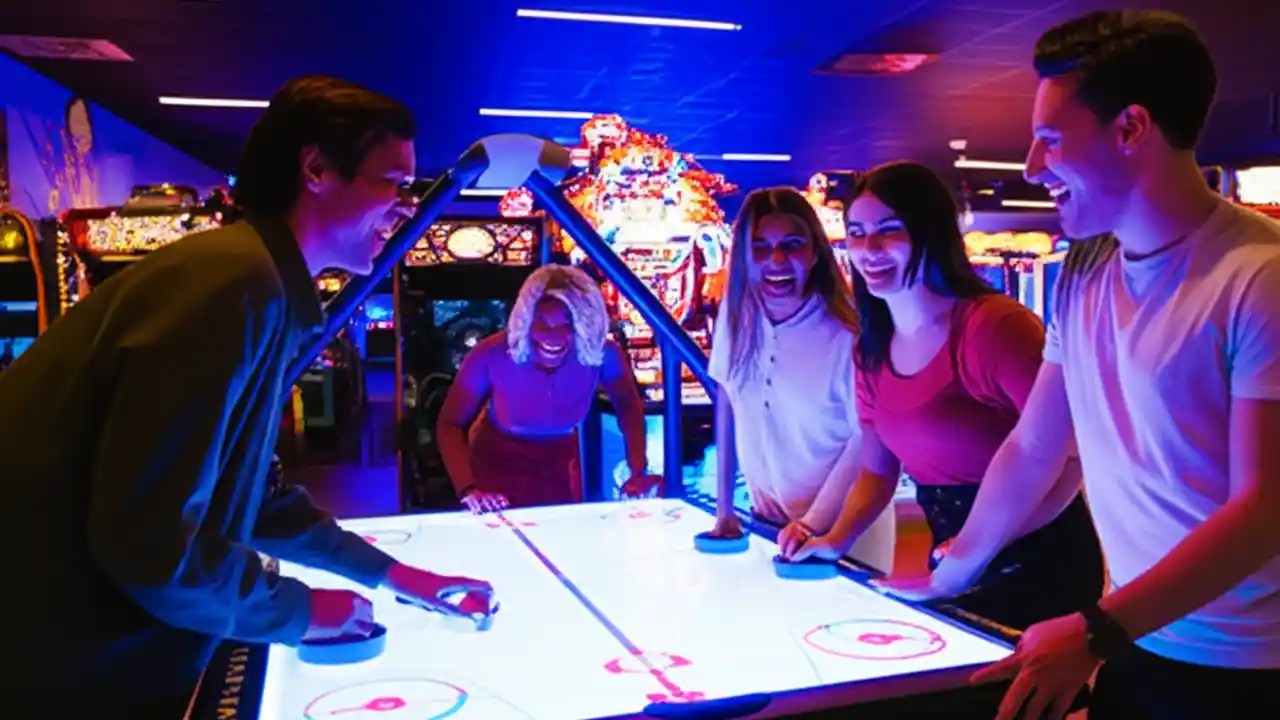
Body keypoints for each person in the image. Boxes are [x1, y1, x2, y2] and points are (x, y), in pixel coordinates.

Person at [0, 76, 491, 713]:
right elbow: (149, 546)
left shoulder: (247, 275)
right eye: (393, 184)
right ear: (314, 167)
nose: (405, 206)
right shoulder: (233, 285)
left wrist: (391, 575)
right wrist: (296, 610)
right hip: (53, 660)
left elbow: (245, 496)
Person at [884, 11, 1280, 720]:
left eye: (1049, 141)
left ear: (1130, 128)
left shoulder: (1259, 277)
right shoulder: (1086, 271)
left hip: (1248, 661)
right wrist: (954, 574)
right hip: (1136, 635)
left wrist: (1098, 630)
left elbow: (1264, 510)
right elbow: (1036, 445)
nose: (1033, 167)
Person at [786, 162, 1103, 630]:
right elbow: (876, 473)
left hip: (1040, 553)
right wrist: (833, 538)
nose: (868, 250)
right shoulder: (871, 346)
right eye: (856, 233)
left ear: (931, 233)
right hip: (954, 556)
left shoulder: (993, 327)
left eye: (889, 231)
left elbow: (1070, 458)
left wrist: (985, 541)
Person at [706, 186, 895, 573]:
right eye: (760, 247)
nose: (776, 260)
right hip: (767, 524)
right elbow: (726, 394)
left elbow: (866, 440)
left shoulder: (850, 334)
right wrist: (725, 509)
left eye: (792, 245)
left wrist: (813, 525)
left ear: (815, 254)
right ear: (743, 256)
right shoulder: (737, 316)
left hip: (847, 535)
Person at [437, 264, 660, 511]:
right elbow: (450, 423)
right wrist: (468, 489)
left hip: (560, 466)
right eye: (542, 321)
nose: (553, 335)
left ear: (585, 324)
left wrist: (638, 469)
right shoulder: (490, 354)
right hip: (493, 468)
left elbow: (629, 407)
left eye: (567, 323)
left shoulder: (603, 354)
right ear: (524, 319)